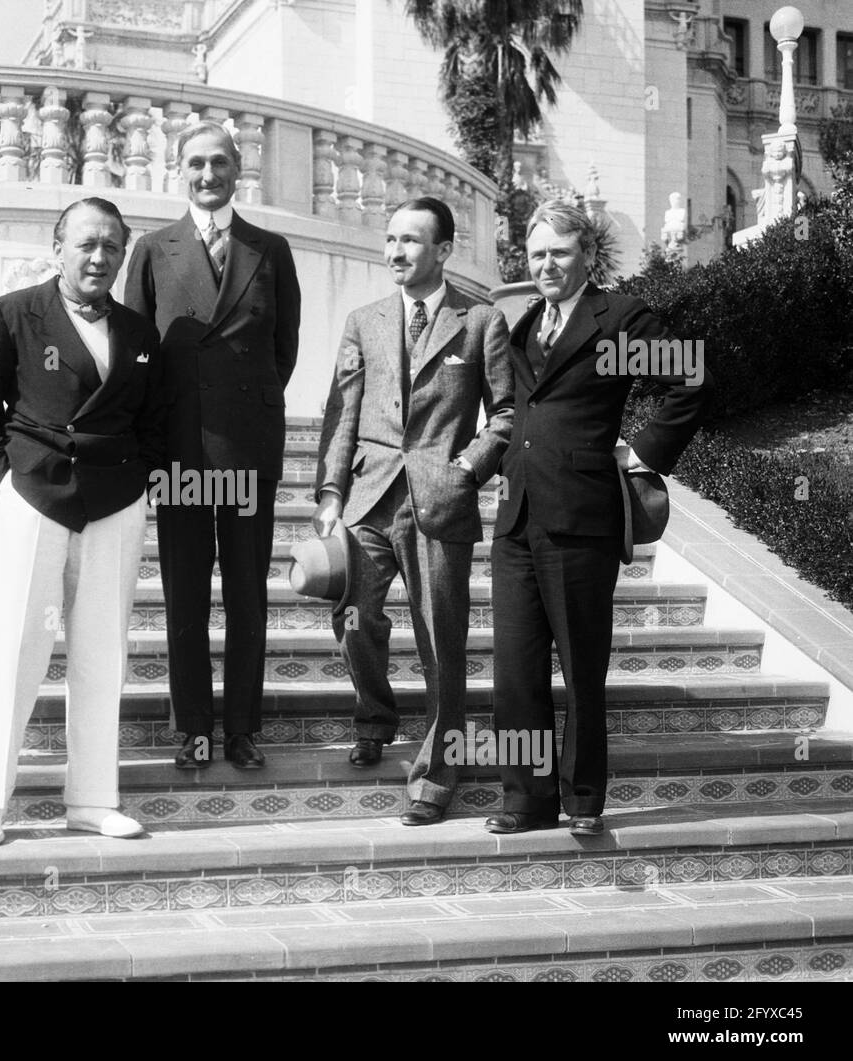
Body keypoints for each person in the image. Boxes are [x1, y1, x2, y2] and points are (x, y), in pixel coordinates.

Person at [487, 200, 713, 836]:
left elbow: (688, 378)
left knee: (582, 668)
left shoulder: (618, 319)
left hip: (581, 517)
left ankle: (583, 799)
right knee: (514, 671)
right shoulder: (525, 322)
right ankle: (524, 801)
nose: (547, 265)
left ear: (586, 253)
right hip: (516, 519)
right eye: (537, 255)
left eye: (559, 252)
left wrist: (639, 454)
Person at [0, 197, 167, 846]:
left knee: (102, 654)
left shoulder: (139, 334)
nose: (100, 257)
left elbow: (154, 423)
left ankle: (92, 799)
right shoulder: (12, 314)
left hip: (113, 506)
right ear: (58, 250)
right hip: (34, 497)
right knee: (12, 649)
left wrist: (138, 485)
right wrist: (3, 477)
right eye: (86, 244)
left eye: (112, 246)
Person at [313, 198, 514, 825]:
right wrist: (329, 494)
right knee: (352, 615)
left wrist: (466, 471)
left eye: (412, 241)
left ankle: (437, 770)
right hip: (370, 497)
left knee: (441, 639)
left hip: (439, 501)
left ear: (444, 250)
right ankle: (374, 715)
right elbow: (342, 412)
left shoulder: (481, 323)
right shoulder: (364, 320)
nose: (396, 252)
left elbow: (506, 415)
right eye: (391, 239)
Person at [122, 121, 301, 771]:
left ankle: (242, 730)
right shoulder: (152, 249)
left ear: (238, 167)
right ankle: (193, 728)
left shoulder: (269, 250)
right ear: (179, 169)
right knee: (186, 598)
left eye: (219, 162)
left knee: (247, 596)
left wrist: (236, 405)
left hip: (247, 451)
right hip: (180, 454)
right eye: (195, 163)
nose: (208, 174)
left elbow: (282, 350)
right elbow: (135, 350)